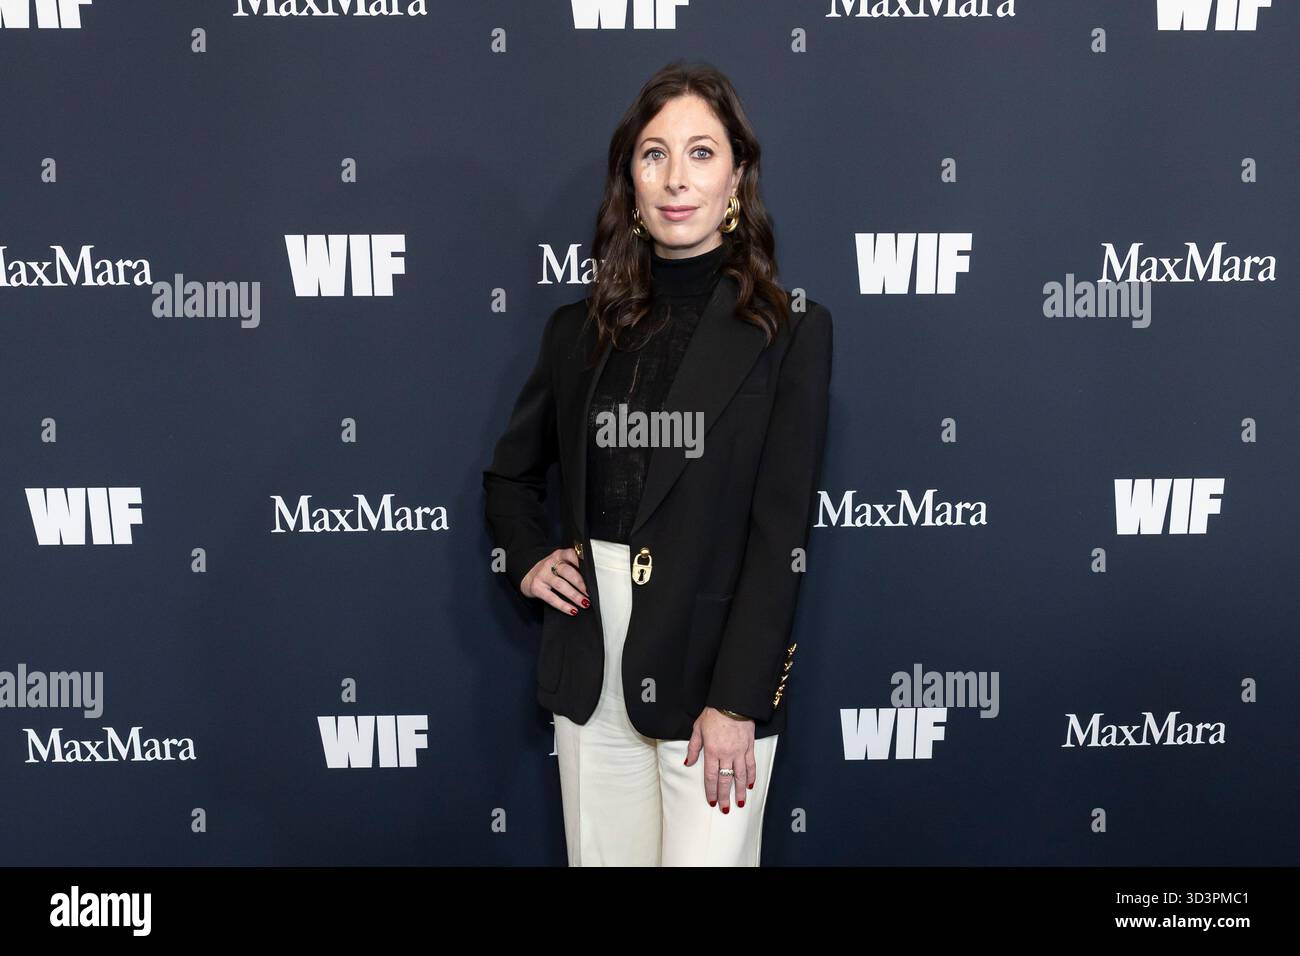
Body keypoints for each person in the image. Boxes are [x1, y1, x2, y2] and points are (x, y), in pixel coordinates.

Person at [483, 60, 832, 866]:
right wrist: (532, 557)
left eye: (702, 153)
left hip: (712, 676)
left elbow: (781, 537)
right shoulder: (578, 333)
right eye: (654, 154)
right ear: (629, 180)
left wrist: (737, 700)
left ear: (737, 174)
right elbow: (510, 477)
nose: (678, 179)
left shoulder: (790, 335)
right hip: (589, 666)